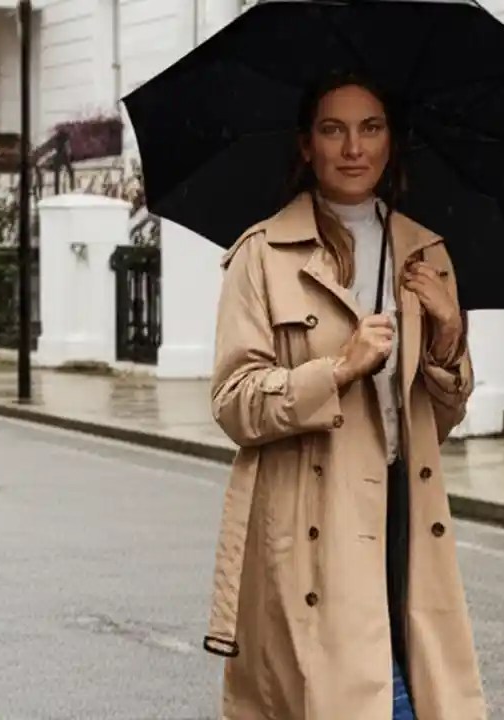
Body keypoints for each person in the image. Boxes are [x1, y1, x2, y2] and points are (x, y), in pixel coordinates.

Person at [203, 71, 487, 720]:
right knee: (362, 700)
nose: (353, 147)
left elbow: (434, 421)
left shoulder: (424, 252)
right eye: (333, 129)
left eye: (371, 128)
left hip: (403, 515)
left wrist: (447, 331)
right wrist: (338, 367)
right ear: (306, 145)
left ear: (392, 142)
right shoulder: (264, 254)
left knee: (411, 691)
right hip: (311, 518)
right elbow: (234, 403)